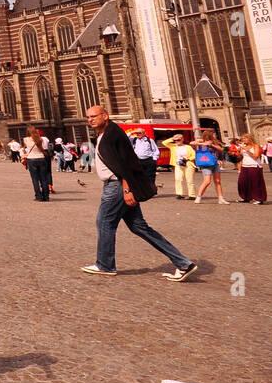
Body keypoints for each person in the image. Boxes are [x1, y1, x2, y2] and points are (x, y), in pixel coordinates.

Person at [79, 106, 197, 280]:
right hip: (117, 185)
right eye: (88, 117)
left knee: (104, 222)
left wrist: (127, 189)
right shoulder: (106, 133)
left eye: (94, 116)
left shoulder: (113, 134)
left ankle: (105, 265)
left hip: (117, 186)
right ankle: (183, 263)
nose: (90, 119)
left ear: (105, 116)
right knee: (139, 227)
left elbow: (126, 164)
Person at [192, 130, 231, 205]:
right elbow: (192, 143)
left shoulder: (215, 142)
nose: (215, 135)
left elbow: (221, 149)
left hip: (214, 163)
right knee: (207, 181)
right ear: (209, 135)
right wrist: (203, 143)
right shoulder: (202, 140)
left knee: (218, 181)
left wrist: (212, 145)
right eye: (214, 134)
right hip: (206, 164)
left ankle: (221, 198)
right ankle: (199, 197)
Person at [161, 133, 196, 200]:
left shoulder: (188, 147)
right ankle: (179, 194)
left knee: (189, 180)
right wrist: (172, 138)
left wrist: (188, 159)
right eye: (176, 140)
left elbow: (193, 155)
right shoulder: (173, 146)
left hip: (188, 163)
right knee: (178, 179)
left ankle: (192, 195)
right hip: (178, 164)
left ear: (182, 139)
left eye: (179, 140)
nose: (177, 141)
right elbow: (164, 142)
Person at [235, 134, 267, 204]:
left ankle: (259, 198)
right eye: (242, 139)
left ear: (250, 139)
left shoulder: (256, 146)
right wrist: (238, 153)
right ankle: (246, 197)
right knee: (242, 182)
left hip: (254, 166)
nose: (243, 140)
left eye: (245, 138)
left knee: (255, 183)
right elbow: (241, 157)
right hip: (245, 166)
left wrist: (247, 150)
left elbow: (256, 156)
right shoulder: (243, 147)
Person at [23, 126, 51, 202]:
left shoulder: (25, 139)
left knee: (35, 179)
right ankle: (46, 196)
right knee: (44, 179)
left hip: (31, 159)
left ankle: (38, 196)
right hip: (41, 158)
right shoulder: (40, 139)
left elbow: (26, 147)